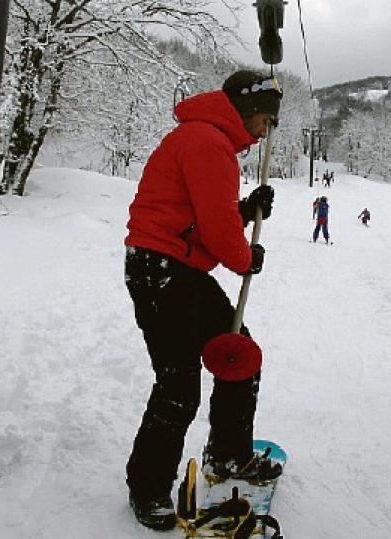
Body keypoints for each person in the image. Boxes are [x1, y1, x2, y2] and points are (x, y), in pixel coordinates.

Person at [123, 70, 283, 531]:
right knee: (178, 383)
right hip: (161, 269)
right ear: (247, 108)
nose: (267, 129)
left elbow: (199, 217)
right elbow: (215, 233)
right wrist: (244, 256)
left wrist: (243, 211)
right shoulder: (207, 142)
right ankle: (147, 486)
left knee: (239, 354)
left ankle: (229, 454)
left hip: (181, 268)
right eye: (266, 118)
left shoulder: (208, 140)